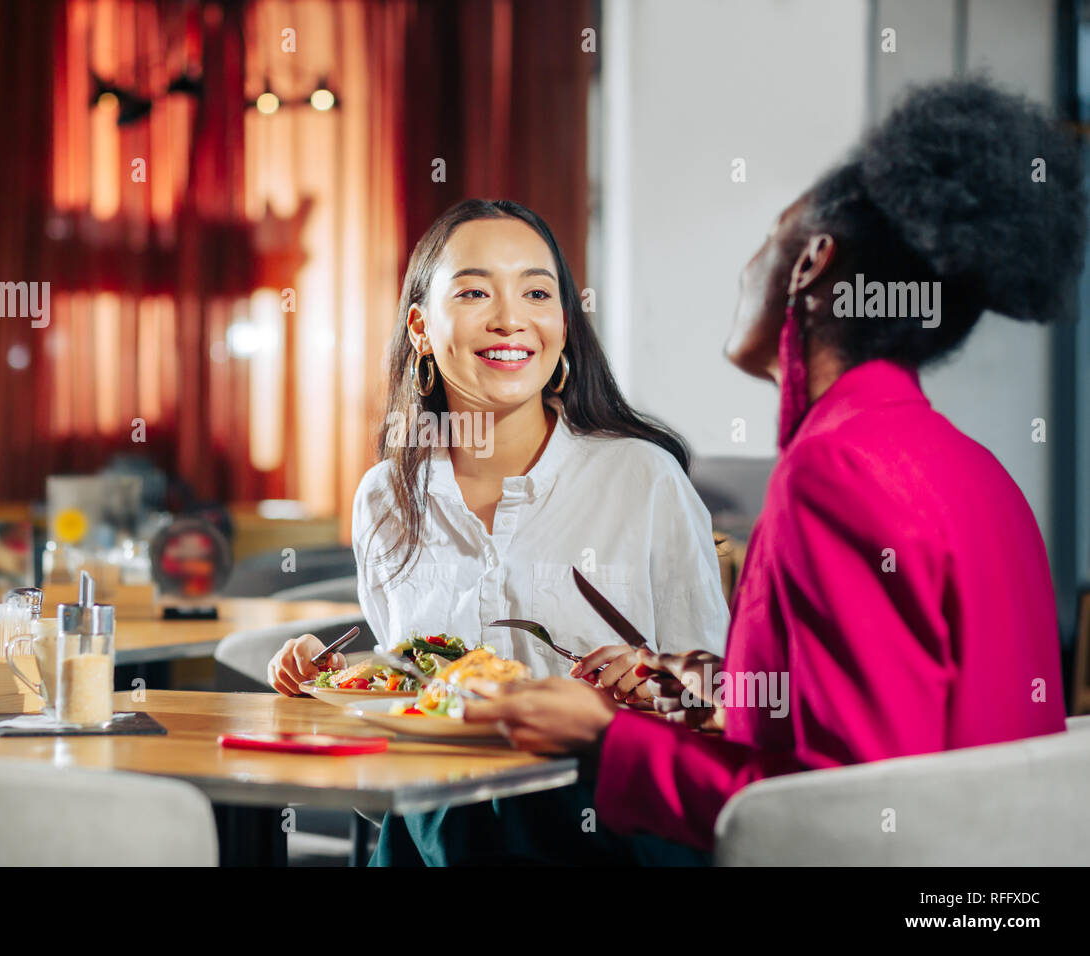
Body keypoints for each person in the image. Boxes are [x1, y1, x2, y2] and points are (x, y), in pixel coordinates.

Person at [465, 78, 1085, 853]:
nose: (748, 262)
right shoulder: (978, 472)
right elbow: (904, 729)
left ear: (812, 265)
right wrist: (708, 686)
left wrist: (602, 737)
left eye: (770, 235)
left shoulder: (837, 472)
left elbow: (839, 813)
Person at [268, 198, 729, 864]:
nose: (511, 318)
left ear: (563, 325)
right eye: (476, 291)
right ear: (421, 328)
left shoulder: (643, 479)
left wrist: (653, 687)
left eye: (537, 292)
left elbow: (716, 710)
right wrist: (341, 688)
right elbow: (406, 730)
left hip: (608, 838)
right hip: (432, 839)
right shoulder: (384, 498)